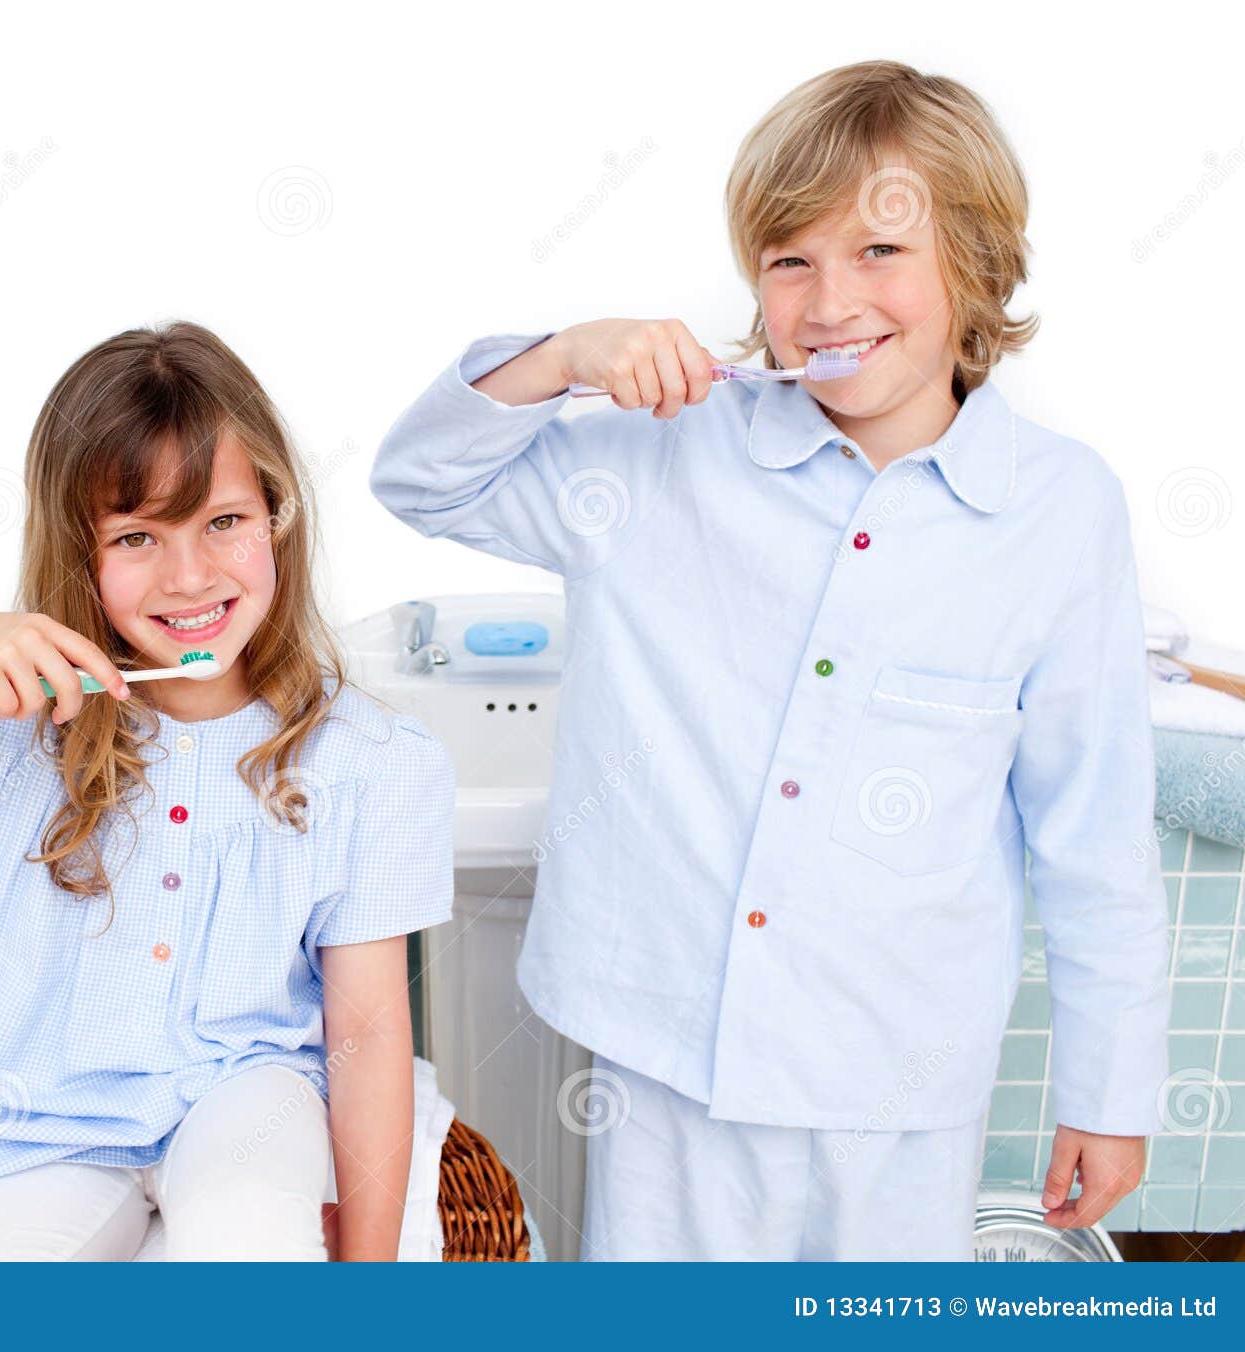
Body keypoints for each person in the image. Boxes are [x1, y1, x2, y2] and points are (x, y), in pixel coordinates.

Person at [369, 60, 1169, 1260]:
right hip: (665, 1062)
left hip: (897, 1082)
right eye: (790, 260)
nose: (829, 300)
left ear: (974, 261)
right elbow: (420, 476)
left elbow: (1093, 826)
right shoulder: (659, 458)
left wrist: (1111, 1092)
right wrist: (561, 356)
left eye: (879, 253)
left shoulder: (1058, 513)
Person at [0, 322, 455, 1261]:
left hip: (247, 1089)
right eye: (137, 536)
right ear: (78, 554)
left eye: (224, 521)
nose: (191, 576)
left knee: (253, 1235)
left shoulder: (371, 758)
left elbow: (371, 1030)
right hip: (31, 1113)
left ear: (276, 518)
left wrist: (369, 1275)